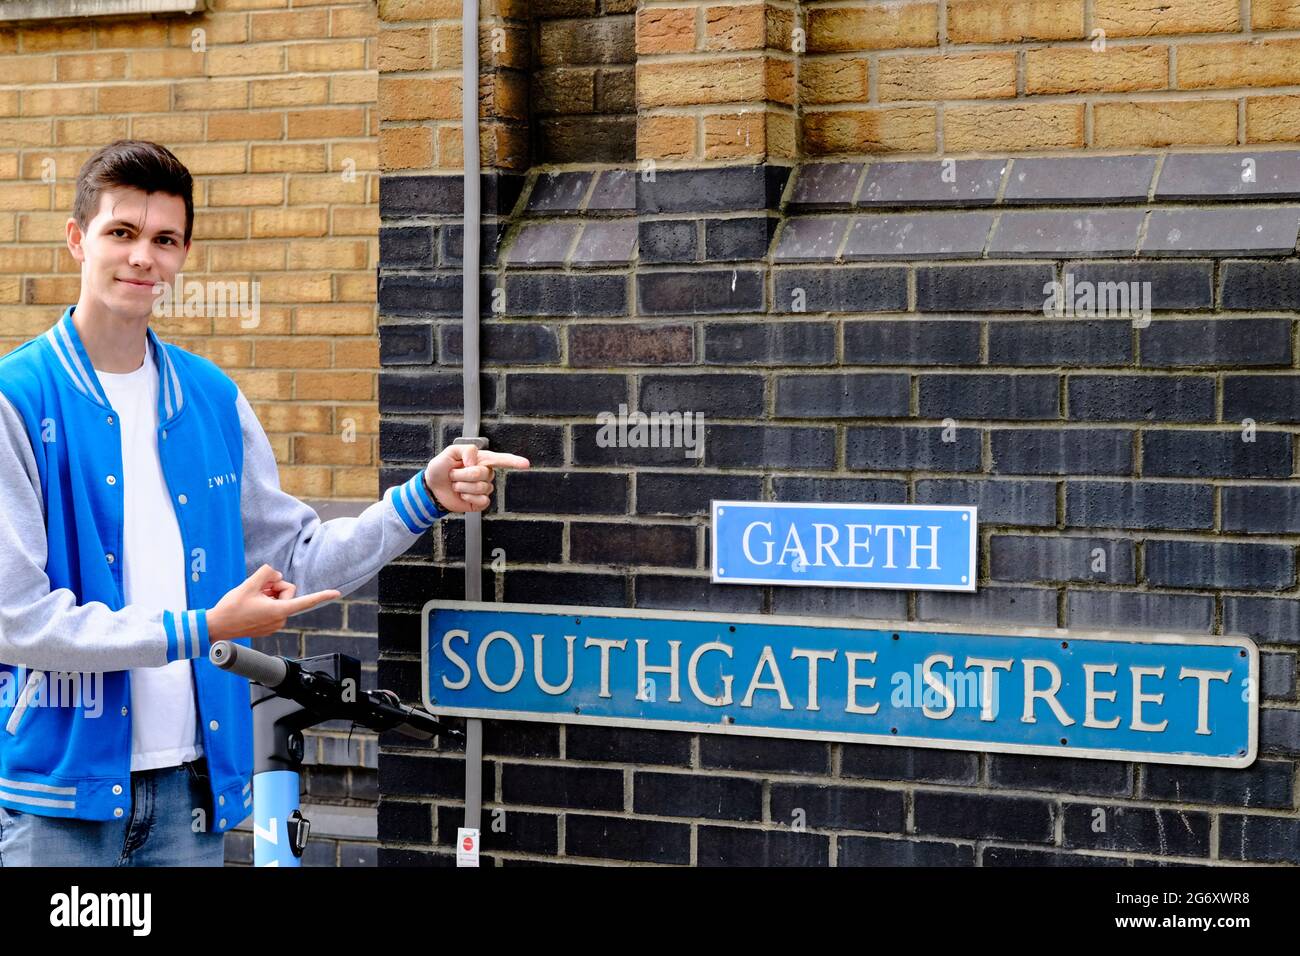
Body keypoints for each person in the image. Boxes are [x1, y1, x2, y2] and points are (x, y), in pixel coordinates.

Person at [0, 140, 529, 866]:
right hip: (55, 804)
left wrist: (422, 498)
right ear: (76, 239)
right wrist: (205, 627)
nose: (142, 258)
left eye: (165, 240)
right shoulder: (19, 401)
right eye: (120, 233)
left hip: (191, 795)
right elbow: (17, 620)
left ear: (184, 254)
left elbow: (296, 560)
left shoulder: (211, 400)